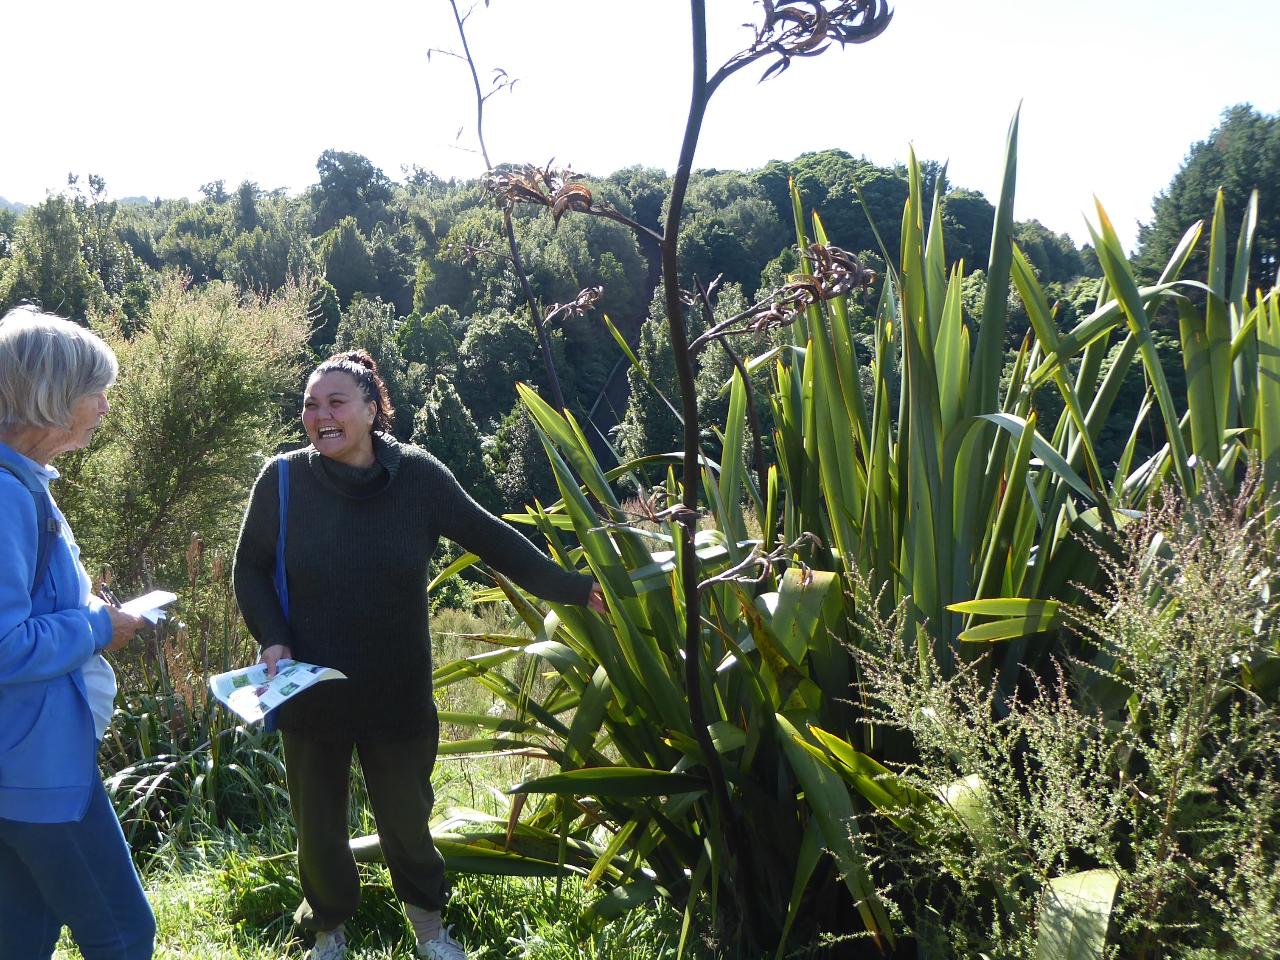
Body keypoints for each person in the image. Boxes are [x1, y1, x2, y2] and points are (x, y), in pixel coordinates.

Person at [233, 350, 604, 960]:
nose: (321, 416)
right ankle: (328, 930)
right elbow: (249, 569)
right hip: (309, 693)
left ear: (372, 409)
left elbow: (493, 539)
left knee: (407, 822)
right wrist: (272, 635)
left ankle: (430, 929)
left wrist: (574, 587)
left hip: (397, 693)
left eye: (336, 402)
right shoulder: (282, 480)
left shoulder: (419, 478)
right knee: (318, 829)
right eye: (310, 405)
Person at [0, 306, 154, 960]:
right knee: (123, 933)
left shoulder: (21, 482)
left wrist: (84, 608)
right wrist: (96, 627)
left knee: (22, 937)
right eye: (97, 392)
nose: (104, 407)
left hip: (22, 763)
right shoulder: (7, 494)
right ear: (53, 396)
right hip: (37, 771)